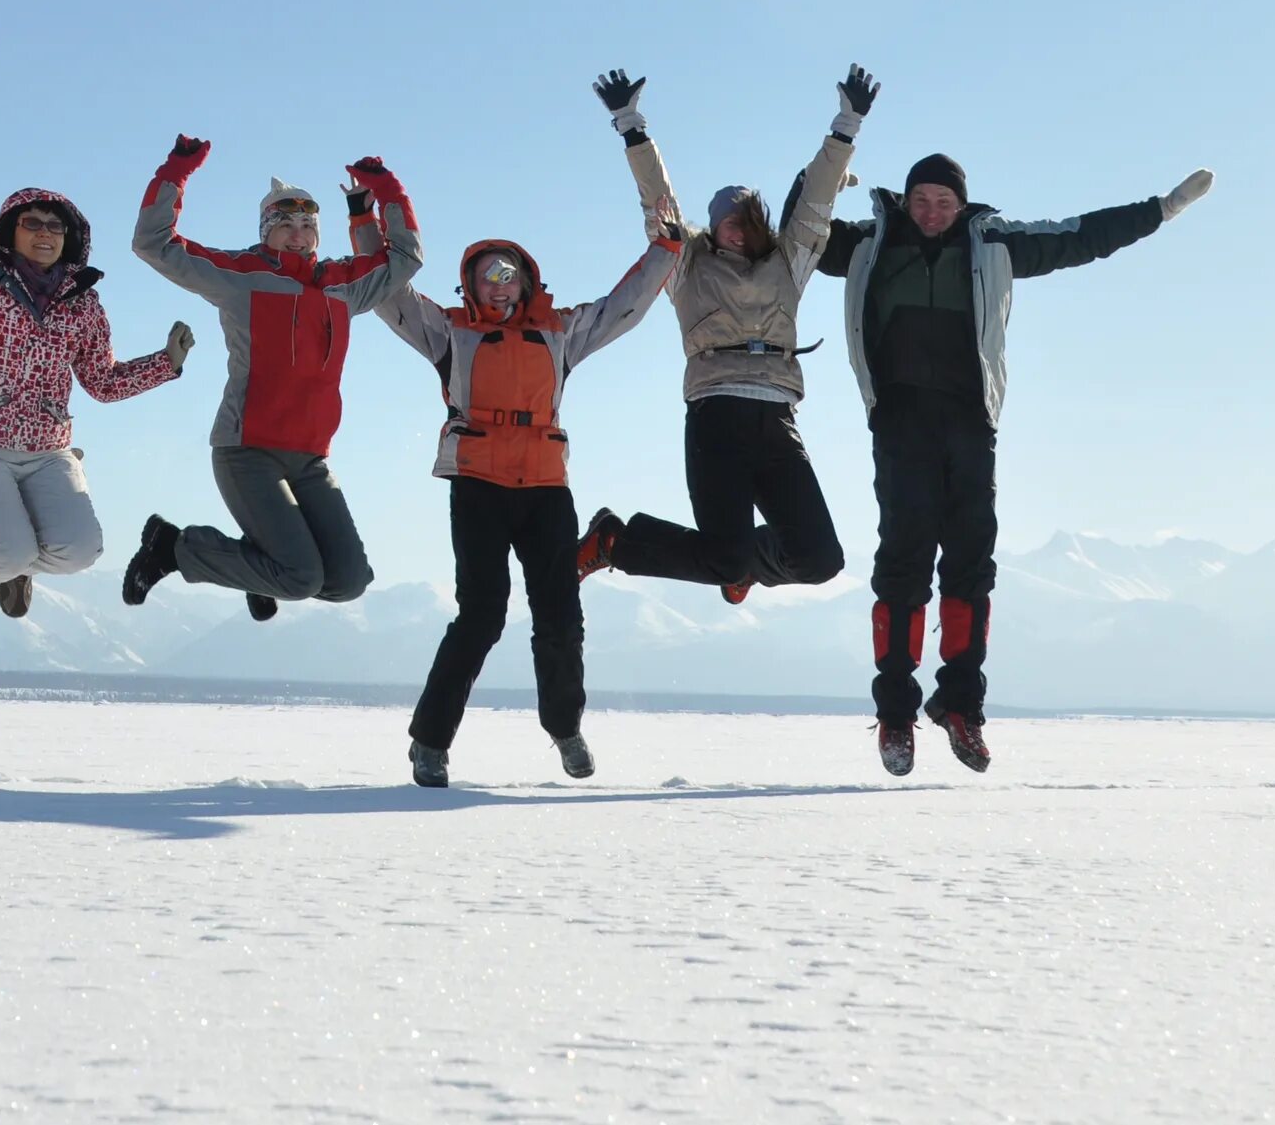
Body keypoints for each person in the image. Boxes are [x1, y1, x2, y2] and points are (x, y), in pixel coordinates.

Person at [818, 151, 1215, 775]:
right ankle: (896, 715)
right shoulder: (867, 243)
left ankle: (959, 707)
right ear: (905, 199)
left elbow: (1079, 236)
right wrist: (825, 171)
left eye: (944, 203)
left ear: (962, 205)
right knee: (903, 564)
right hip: (900, 423)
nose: (931, 213)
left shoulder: (994, 244)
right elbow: (796, 230)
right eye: (922, 200)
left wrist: (1160, 211)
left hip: (970, 422)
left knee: (971, 565)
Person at [372, 212, 682, 789]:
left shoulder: (559, 331)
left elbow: (624, 307)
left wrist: (665, 250)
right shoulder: (450, 331)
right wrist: (366, 220)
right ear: (471, 285)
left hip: (545, 489)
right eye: (487, 276)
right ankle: (429, 743)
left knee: (561, 616)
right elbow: (390, 298)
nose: (499, 285)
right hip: (479, 484)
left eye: (508, 275)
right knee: (482, 616)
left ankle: (565, 729)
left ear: (526, 282)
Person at [577, 65, 876, 610]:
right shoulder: (688, 262)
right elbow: (658, 203)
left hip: (778, 417)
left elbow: (818, 201)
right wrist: (631, 124)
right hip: (717, 413)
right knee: (724, 558)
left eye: (745, 219)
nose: (736, 227)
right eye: (725, 220)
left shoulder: (790, 260)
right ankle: (618, 541)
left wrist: (845, 126)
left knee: (819, 559)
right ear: (711, 227)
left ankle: (744, 563)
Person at [119, 141, 422, 622]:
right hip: (247, 451)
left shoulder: (342, 285)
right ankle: (173, 547)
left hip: (311, 458)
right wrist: (176, 171)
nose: (297, 235)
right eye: (284, 225)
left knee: (348, 582)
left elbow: (404, 259)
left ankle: (255, 567)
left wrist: (383, 193)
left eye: (306, 226)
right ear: (265, 230)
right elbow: (153, 243)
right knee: (301, 578)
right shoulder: (240, 275)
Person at [0, 189, 193, 626]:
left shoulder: (83, 303)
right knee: (5, 554)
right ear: (11, 230)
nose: (44, 233)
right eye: (33, 223)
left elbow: (102, 383)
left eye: (55, 226)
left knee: (80, 552)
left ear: (69, 237)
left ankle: (18, 566)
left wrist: (166, 364)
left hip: (48, 454)